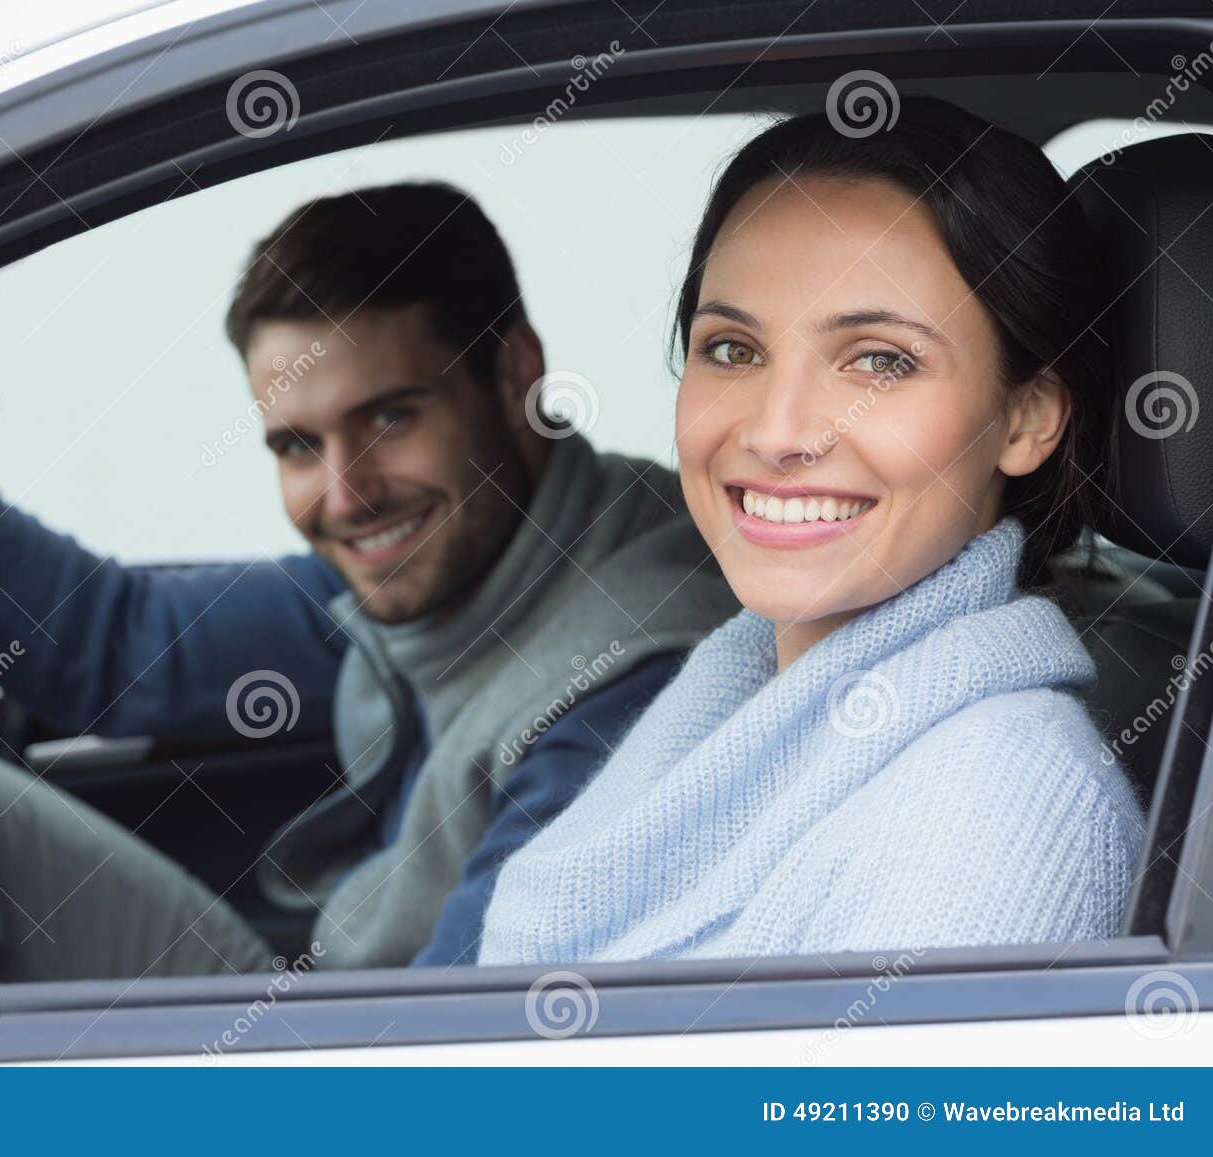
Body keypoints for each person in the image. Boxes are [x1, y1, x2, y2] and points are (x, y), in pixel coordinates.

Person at [0, 182, 738, 983]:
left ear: (515, 375)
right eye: (295, 442)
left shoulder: (618, 686)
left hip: (372, 1070)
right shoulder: (458, 561)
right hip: (344, 1006)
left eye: (388, 417)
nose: (346, 494)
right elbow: (115, 644)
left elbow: (463, 1055)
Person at [478, 99, 1146, 965]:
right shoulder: (727, 706)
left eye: (880, 360)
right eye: (733, 350)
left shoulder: (1003, 809)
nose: (777, 431)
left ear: (1027, 416)